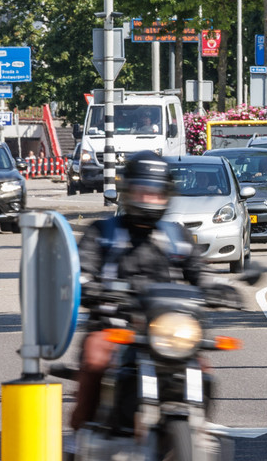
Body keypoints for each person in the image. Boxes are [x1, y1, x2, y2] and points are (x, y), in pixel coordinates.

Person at [69, 152, 204, 435]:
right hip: (114, 327)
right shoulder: (103, 232)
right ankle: (80, 434)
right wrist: (88, 285)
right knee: (95, 359)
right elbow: (83, 270)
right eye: (142, 191)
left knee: (202, 366)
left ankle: (196, 432)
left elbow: (199, 272)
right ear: (128, 191)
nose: (148, 199)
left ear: (167, 195)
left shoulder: (176, 236)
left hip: (165, 331)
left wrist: (219, 288)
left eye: (156, 193)